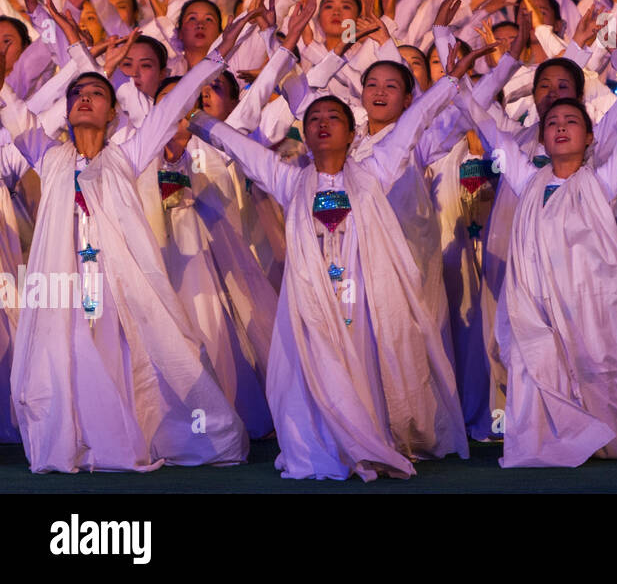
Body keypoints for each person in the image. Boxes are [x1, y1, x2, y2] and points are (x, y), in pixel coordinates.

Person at [186, 48, 492, 480]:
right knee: (317, 364)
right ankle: (328, 438)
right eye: (314, 120)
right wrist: (193, 118)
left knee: (366, 360)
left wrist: (448, 81)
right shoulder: (289, 179)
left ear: (352, 134)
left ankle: (369, 437)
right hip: (314, 300)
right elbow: (237, 145)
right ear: (305, 135)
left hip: (362, 296)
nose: (323, 124)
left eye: (333, 118)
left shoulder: (375, 170)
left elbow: (415, 122)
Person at [1, 6, 252, 473]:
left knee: (139, 355)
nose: (84, 99)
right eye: (78, 93)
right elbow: (15, 114)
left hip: (120, 282)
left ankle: (168, 435)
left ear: (114, 109)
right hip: (67, 285)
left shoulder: (129, 153)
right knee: (67, 357)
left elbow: (178, 104)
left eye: (97, 93)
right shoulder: (49, 156)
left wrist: (220, 52)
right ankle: (77, 441)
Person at [462, 63, 617, 467]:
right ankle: (554, 437)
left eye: (571, 121)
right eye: (552, 123)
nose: (561, 128)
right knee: (540, 361)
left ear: (589, 138)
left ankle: (606, 434)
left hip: (592, 305)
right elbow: (491, 131)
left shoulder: (599, 180)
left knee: (600, 367)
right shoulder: (526, 179)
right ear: (543, 137)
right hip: (538, 306)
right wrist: (454, 82)